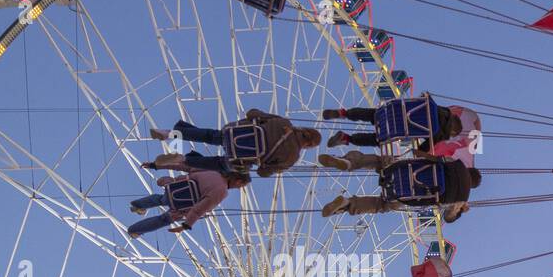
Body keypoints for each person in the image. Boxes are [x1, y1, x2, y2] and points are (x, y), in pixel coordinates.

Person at [151, 109, 321, 178]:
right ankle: (183, 161)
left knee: (211, 136)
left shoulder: (284, 122)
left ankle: (170, 133)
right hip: (240, 158)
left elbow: (252, 113)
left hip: (234, 135)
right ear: (308, 146)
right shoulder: (291, 158)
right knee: (221, 165)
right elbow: (263, 172)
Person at [320, 161, 481, 221]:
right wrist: (460, 210)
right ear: (471, 186)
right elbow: (448, 217)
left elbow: (434, 158)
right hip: (409, 194)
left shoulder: (456, 164)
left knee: (382, 162)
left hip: (405, 170)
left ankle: (348, 162)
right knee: (383, 205)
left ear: (468, 168)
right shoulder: (462, 197)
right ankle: (349, 204)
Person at [127, 170, 246, 237]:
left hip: (175, 191)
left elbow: (190, 176)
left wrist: (172, 182)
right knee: (163, 219)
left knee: (160, 199)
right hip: (182, 207)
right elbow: (200, 209)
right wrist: (186, 224)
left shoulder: (213, 173)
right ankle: (135, 230)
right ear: (238, 180)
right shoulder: (222, 191)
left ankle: (137, 205)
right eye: (241, 185)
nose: (240, 188)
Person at [321, 101, 460, 151]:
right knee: (378, 139)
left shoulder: (435, 106)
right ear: (452, 130)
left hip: (395, 110)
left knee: (373, 115)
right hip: (398, 129)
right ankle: (347, 138)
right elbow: (423, 149)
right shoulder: (439, 133)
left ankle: (343, 113)